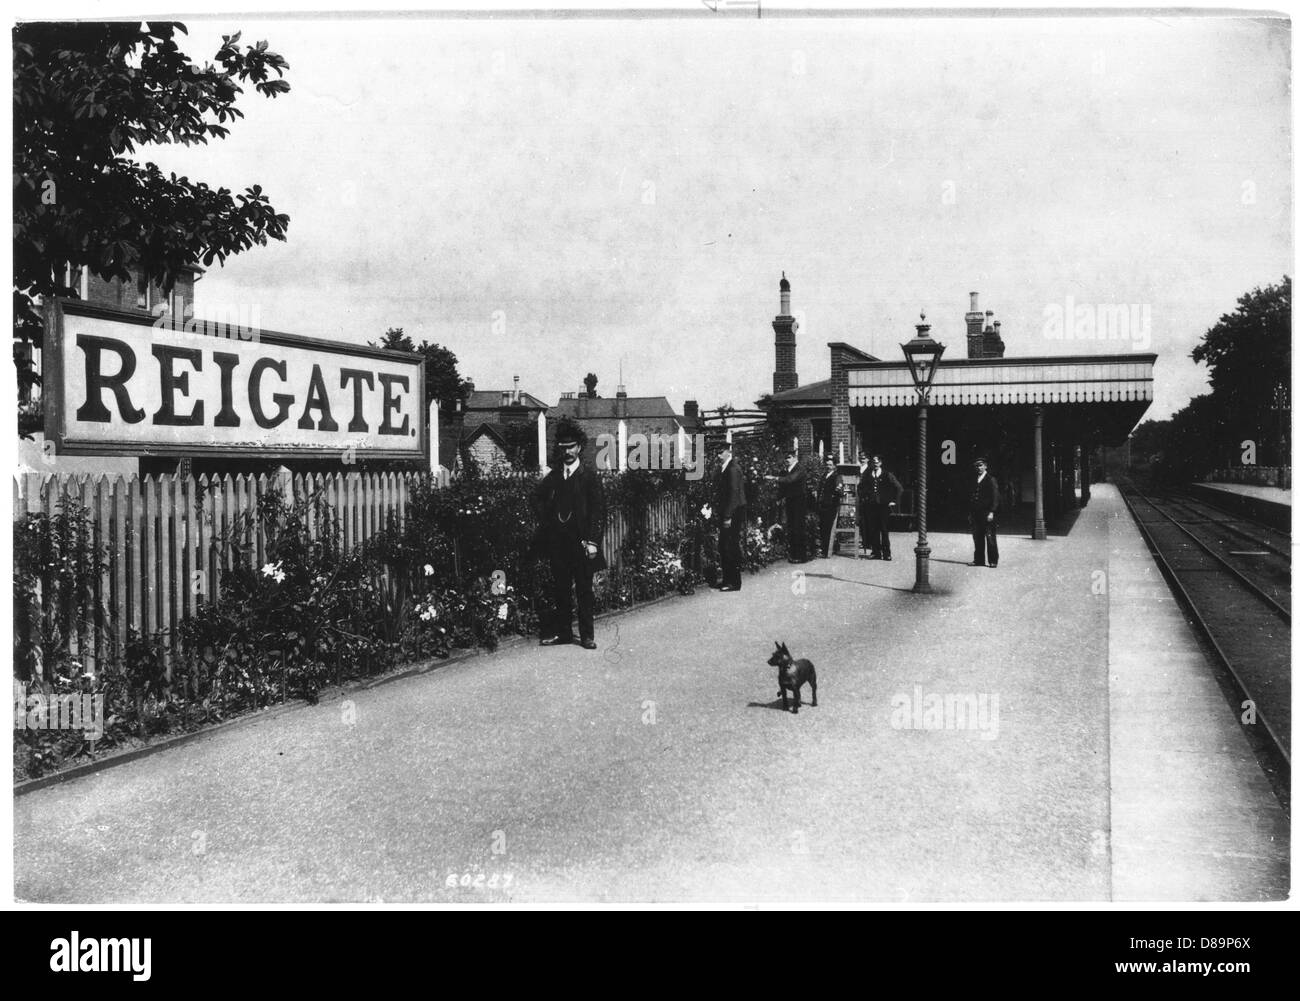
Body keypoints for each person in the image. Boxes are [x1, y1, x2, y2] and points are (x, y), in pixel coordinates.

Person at [530, 419, 607, 649]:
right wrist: (548, 522)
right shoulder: (554, 476)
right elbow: (535, 498)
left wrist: (593, 541)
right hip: (559, 544)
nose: (567, 452)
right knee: (560, 590)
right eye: (563, 448)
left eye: (571, 447)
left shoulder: (589, 476)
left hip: (582, 543)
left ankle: (586, 636)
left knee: (584, 590)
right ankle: (564, 633)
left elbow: (599, 511)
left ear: (579, 448)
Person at [767, 448, 809, 563]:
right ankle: (794, 554)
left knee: (798, 527)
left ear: (795, 458)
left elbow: (790, 480)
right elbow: (784, 487)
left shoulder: (800, 469)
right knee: (791, 527)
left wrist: (775, 478)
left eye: (789, 457)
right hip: (790, 501)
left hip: (799, 501)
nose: (787, 460)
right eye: (786, 457)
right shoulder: (786, 470)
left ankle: (802, 556)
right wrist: (778, 498)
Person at [715, 442, 746, 591]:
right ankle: (728, 579)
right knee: (725, 545)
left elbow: (734, 494)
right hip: (730, 511)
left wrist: (728, 516)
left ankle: (733, 582)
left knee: (729, 546)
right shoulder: (726, 467)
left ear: (728, 452)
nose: (718, 455)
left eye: (721, 452)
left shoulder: (732, 469)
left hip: (733, 512)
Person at [858, 454, 903, 560]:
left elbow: (899, 488)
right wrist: (864, 498)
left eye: (877, 462)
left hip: (883, 506)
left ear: (881, 463)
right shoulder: (867, 474)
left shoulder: (887, 474)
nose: (875, 464)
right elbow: (860, 488)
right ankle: (876, 552)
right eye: (874, 462)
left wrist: (894, 501)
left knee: (884, 529)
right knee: (873, 529)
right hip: (871, 506)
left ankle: (887, 553)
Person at [969, 457, 999, 568]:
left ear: (985, 466)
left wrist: (992, 511)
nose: (979, 468)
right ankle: (979, 560)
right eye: (977, 466)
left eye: (981, 465)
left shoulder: (991, 479)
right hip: (976, 514)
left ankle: (993, 561)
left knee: (990, 537)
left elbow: (995, 497)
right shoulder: (974, 479)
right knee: (977, 537)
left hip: (987, 513)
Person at [815, 455, 844, 558]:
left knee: (827, 528)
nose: (828, 466)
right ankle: (824, 549)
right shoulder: (824, 475)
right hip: (822, 504)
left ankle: (826, 551)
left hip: (830, 505)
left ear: (834, 466)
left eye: (830, 465)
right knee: (822, 527)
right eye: (827, 464)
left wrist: (838, 490)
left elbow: (840, 490)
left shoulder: (837, 476)